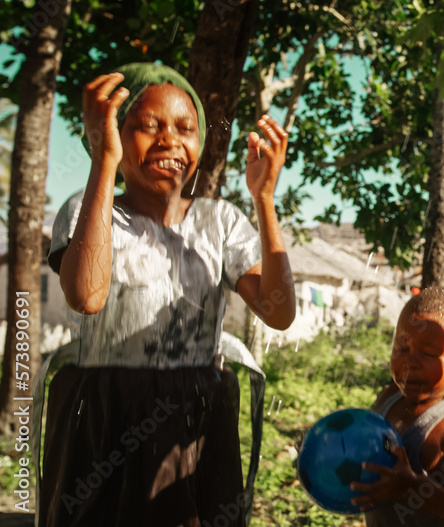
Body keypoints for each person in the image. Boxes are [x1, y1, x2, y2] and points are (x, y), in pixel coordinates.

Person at [40, 63, 295, 526]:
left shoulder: (221, 221)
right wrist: (104, 161)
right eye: (147, 126)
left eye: (185, 128)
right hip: (105, 411)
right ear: (113, 133)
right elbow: (86, 295)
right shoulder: (88, 210)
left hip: (195, 412)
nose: (169, 140)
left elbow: (277, 313)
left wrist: (264, 200)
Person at [355, 287, 444, 527]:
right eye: (401, 348)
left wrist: (411, 487)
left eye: (429, 353)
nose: (410, 363)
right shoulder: (388, 398)